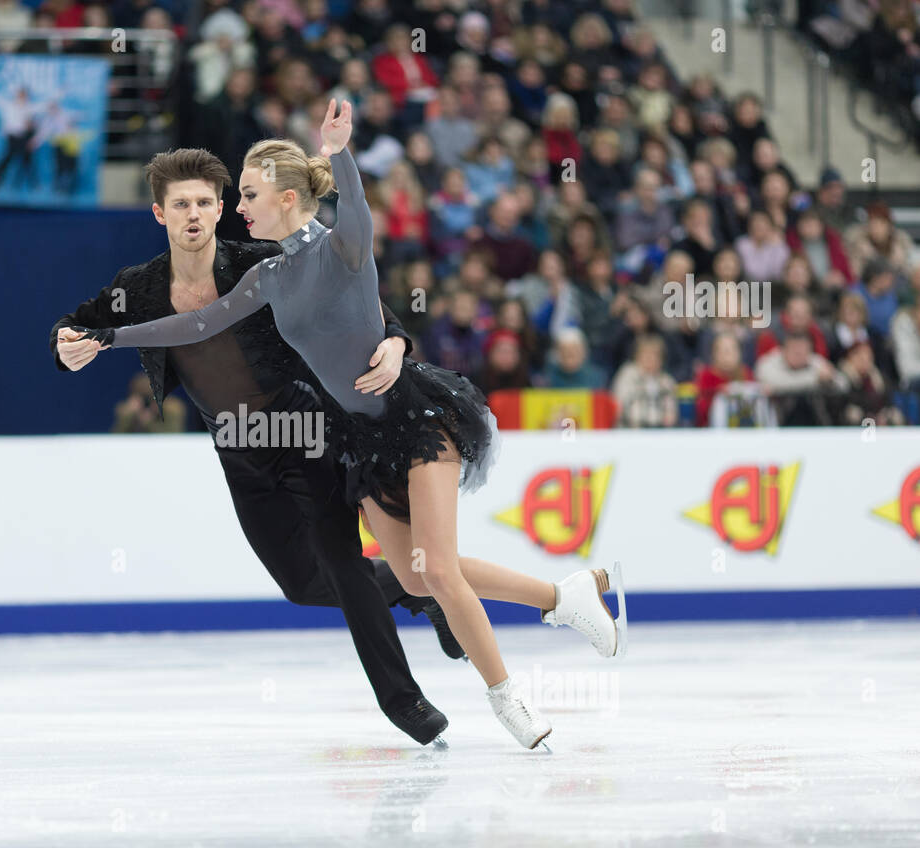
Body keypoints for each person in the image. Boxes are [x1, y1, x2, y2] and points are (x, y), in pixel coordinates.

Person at [67, 102, 627, 750]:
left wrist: (341, 153)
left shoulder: (343, 248)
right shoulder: (268, 276)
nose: (236, 208)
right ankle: (564, 595)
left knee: (438, 572)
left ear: (284, 197)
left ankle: (508, 701)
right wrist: (109, 336)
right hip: (358, 441)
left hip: (414, 419)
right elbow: (196, 325)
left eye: (247, 195)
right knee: (417, 576)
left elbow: (356, 211)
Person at [53, 146, 461, 748]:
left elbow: (359, 294)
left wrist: (397, 340)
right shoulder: (134, 289)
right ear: (158, 215)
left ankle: (406, 705)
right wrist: (64, 346)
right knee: (301, 585)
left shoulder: (263, 260)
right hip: (237, 445)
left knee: (343, 563)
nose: (192, 213)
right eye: (179, 205)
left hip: (304, 425)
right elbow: (78, 327)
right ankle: (411, 590)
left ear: (220, 209)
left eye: (203, 202)